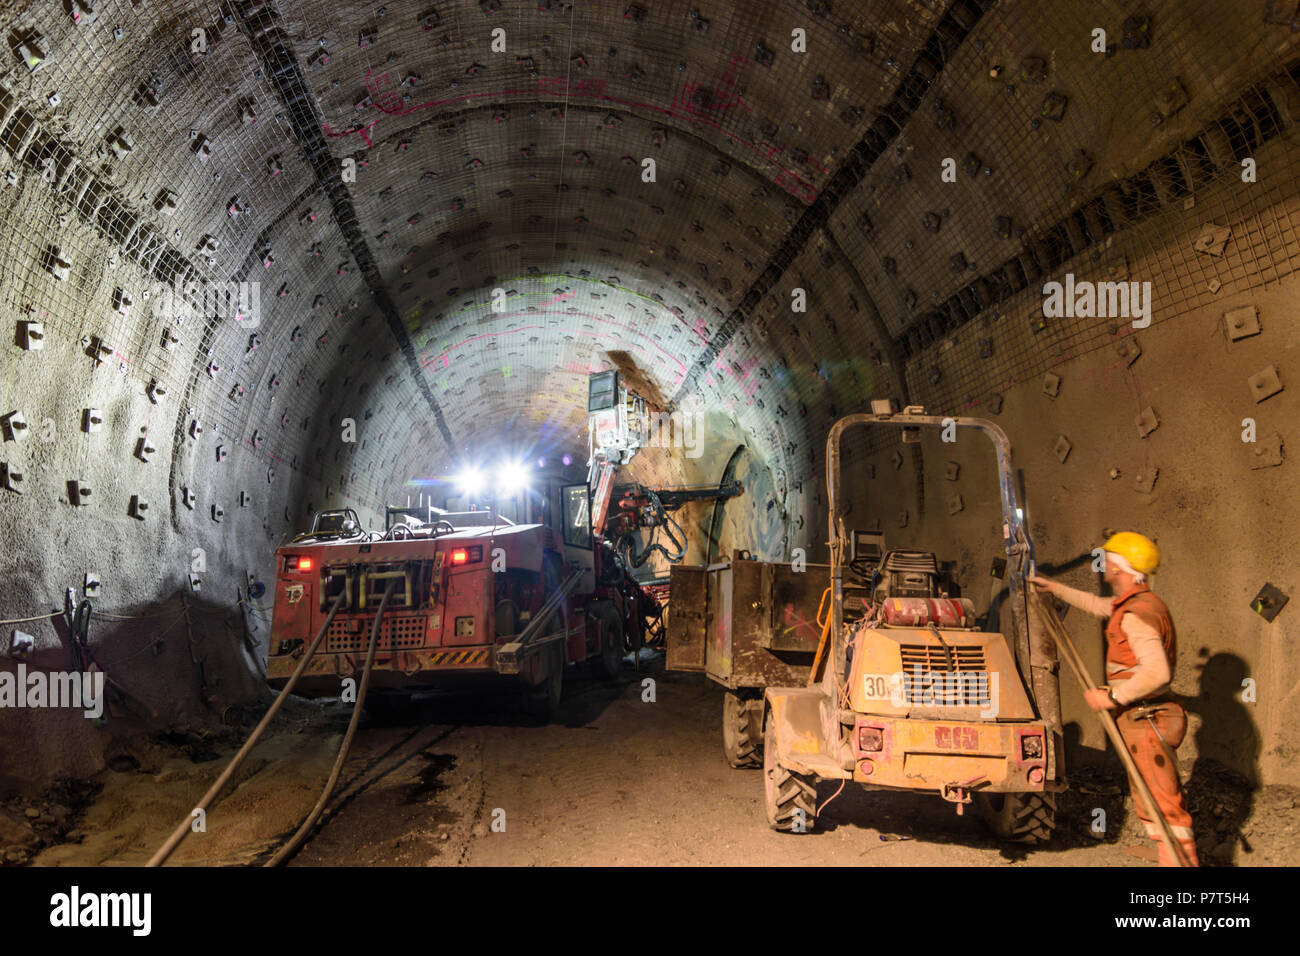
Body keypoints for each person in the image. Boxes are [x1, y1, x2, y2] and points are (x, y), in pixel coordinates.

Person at [1028, 532, 1198, 867]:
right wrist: (1057, 590)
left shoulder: (1137, 615)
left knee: (1162, 802)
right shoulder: (1136, 604)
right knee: (1150, 799)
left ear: (1120, 566)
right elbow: (1100, 606)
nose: (1103, 565)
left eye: (1108, 559)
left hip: (1147, 718)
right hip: (1142, 719)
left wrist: (1113, 695)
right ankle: (1171, 860)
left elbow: (1157, 673)